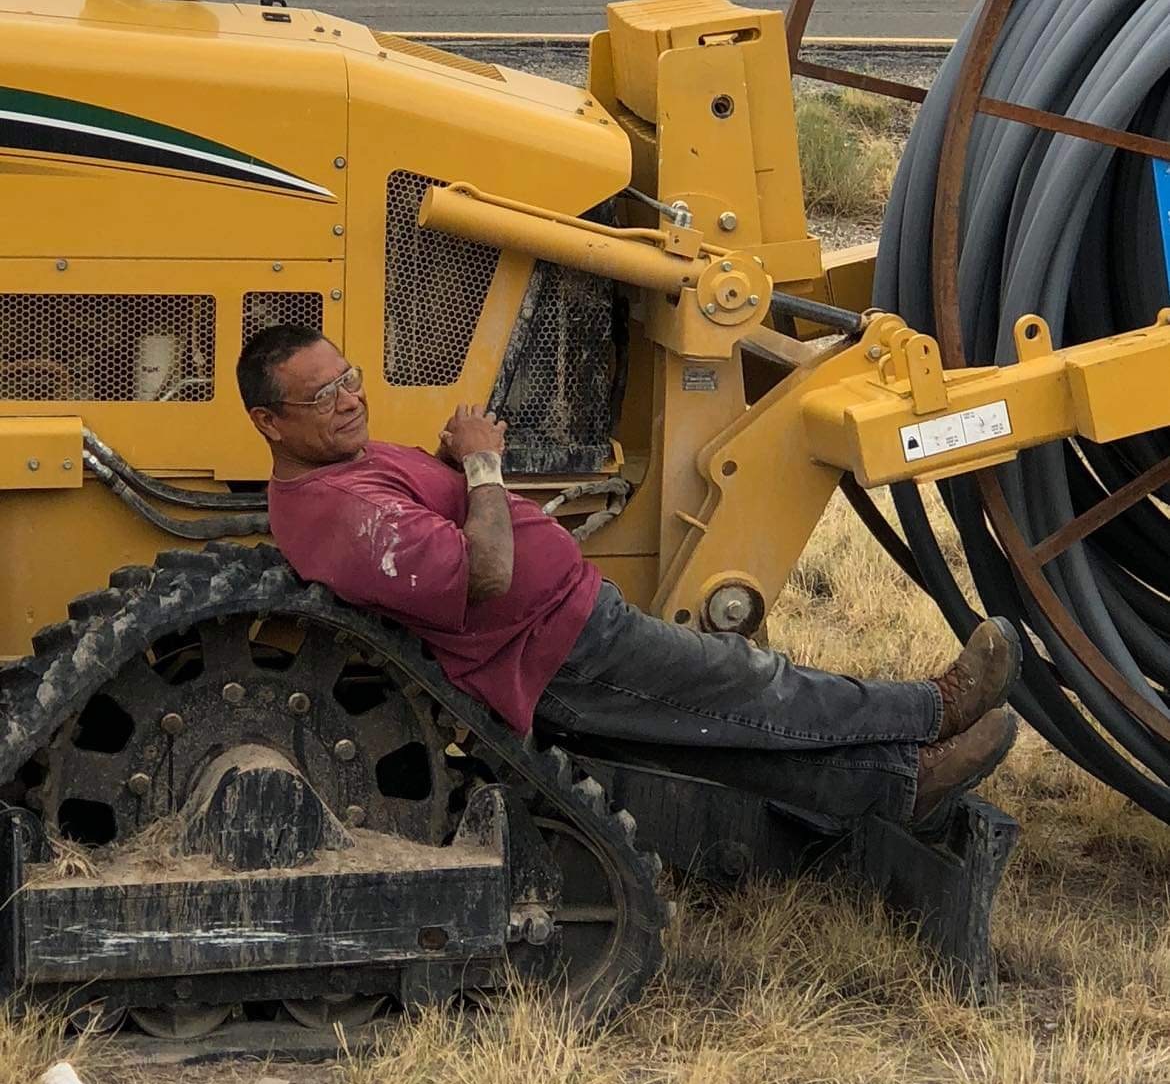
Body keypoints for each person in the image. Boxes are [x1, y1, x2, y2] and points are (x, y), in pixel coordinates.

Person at [237, 324, 1019, 831]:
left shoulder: (345, 464)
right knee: (752, 686)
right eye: (323, 394)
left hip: (560, 628)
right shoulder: (339, 508)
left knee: (720, 738)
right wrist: (479, 462)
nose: (350, 399)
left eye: (350, 376)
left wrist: (451, 473)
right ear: (271, 422)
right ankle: (930, 708)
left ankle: (897, 785)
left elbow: (433, 535)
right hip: (553, 648)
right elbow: (485, 569)